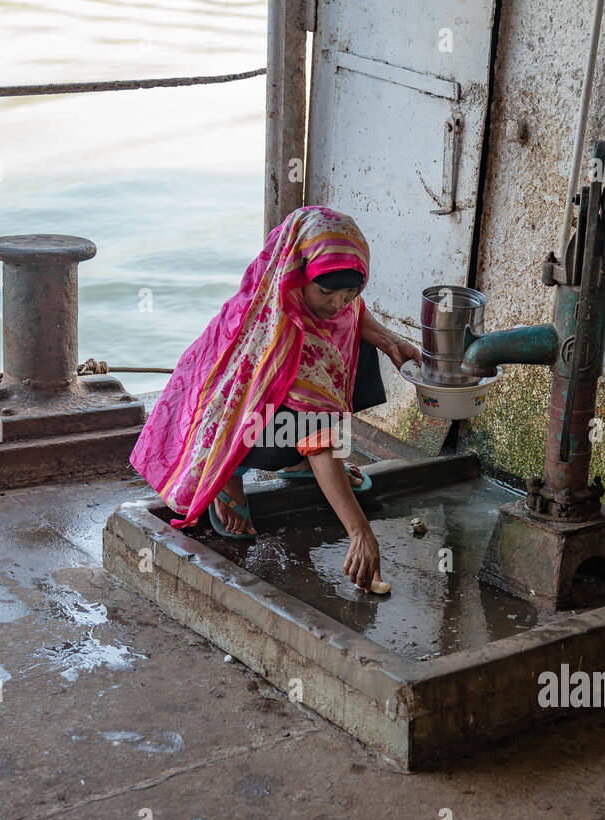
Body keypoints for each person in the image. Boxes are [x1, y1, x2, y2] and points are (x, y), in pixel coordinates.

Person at [129, 205, 420, 590]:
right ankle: (229, 476)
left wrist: (390, 341)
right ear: (298, 275)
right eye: (327, 292)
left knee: (356, 346)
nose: (338, 304)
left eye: (350, 291)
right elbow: (320, 438)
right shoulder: (284, 330)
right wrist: (358, 532)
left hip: (291, 417)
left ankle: (293, 460)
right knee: (308, 429)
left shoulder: (336, 304)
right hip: (231, 422)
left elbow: (355, 313)